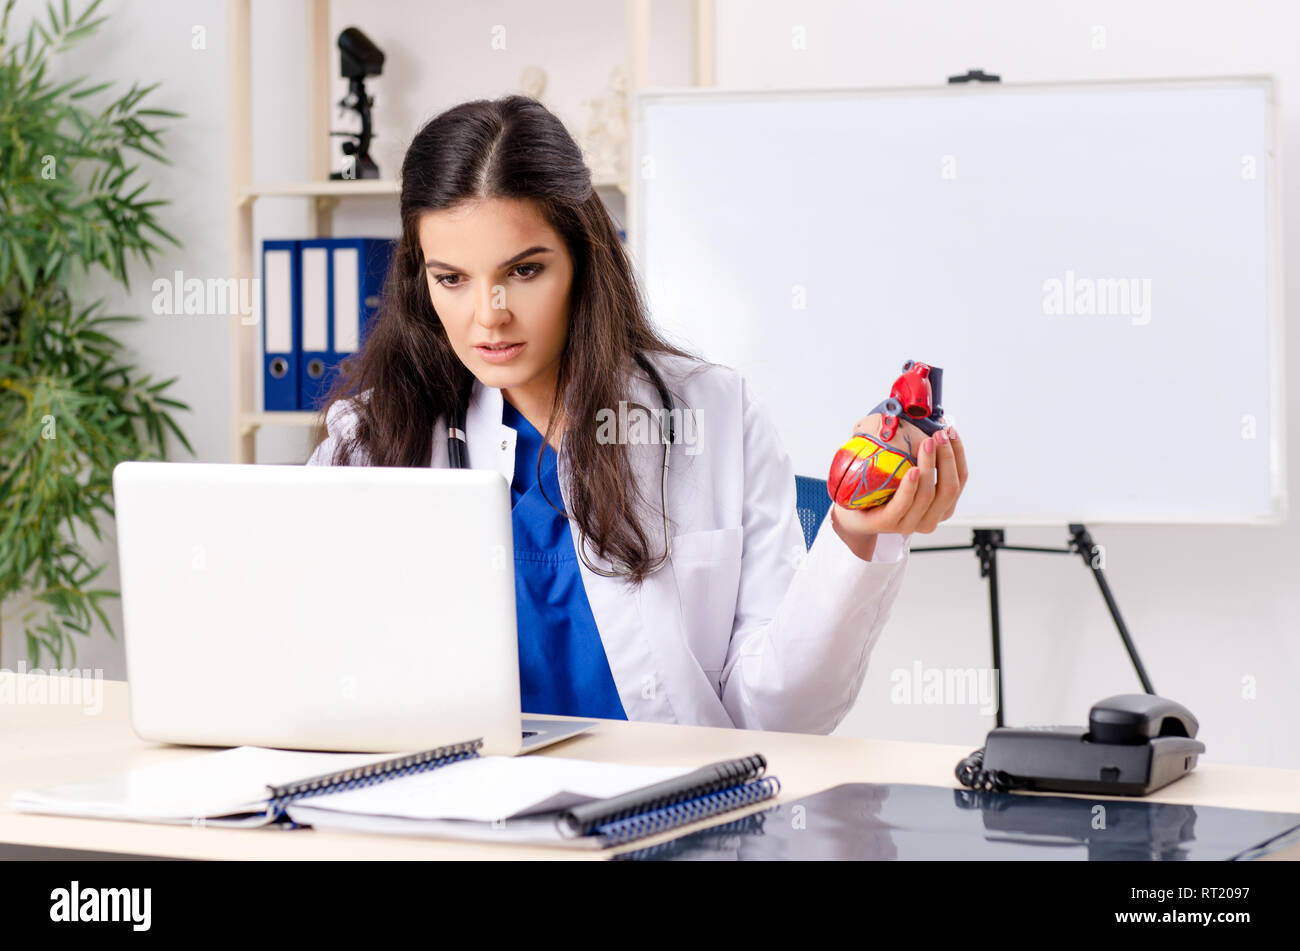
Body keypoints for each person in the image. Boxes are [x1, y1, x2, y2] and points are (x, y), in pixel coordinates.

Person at [307, 95, 969, 734]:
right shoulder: (370, 440)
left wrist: (855, 534)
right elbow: (321, 677)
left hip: (678, 823)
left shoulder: (716, 414)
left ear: (581, 262)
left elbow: (781, 717)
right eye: (452, 278)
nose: (489, 313)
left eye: (526, 270)